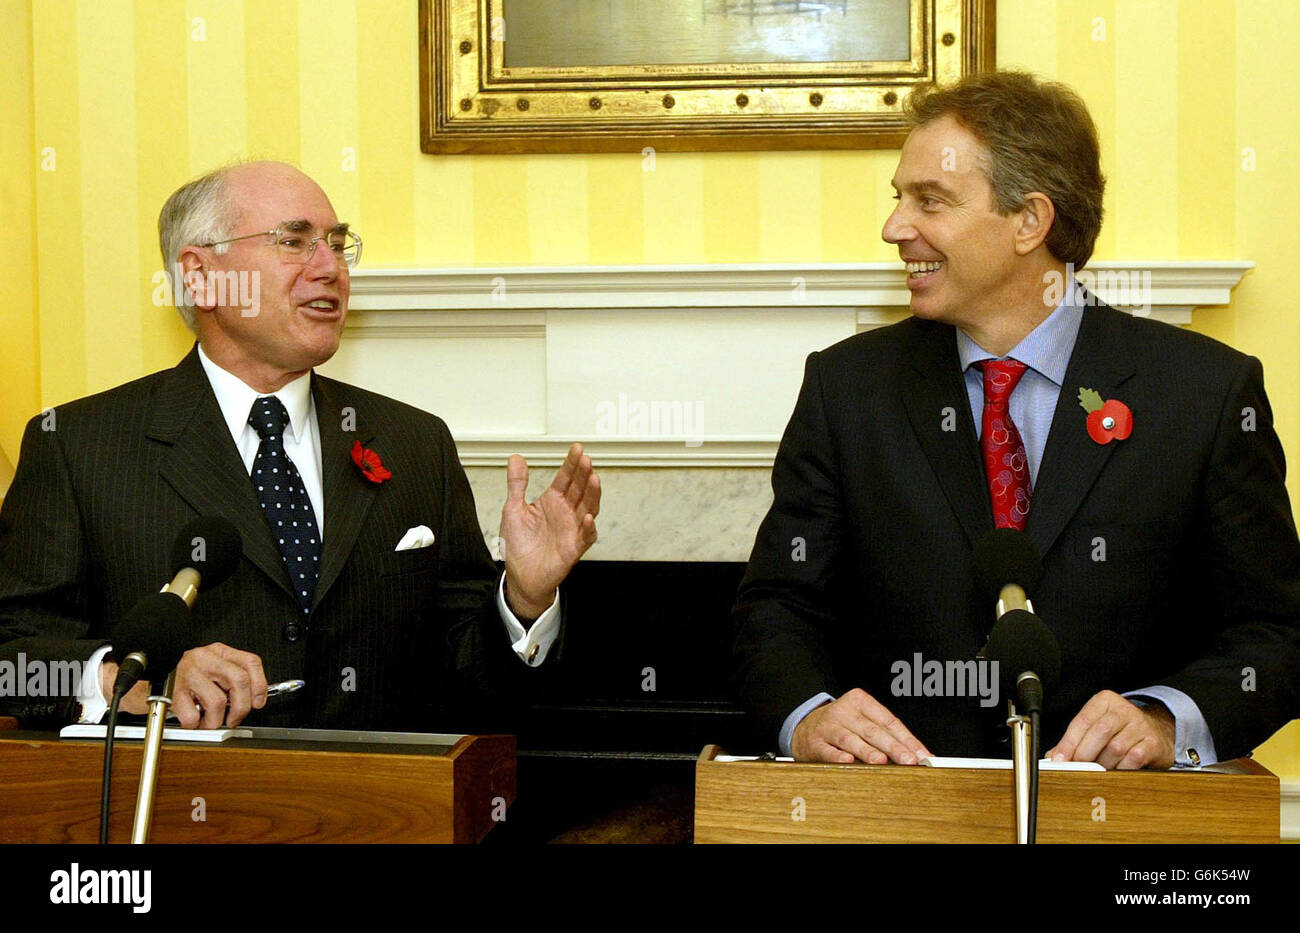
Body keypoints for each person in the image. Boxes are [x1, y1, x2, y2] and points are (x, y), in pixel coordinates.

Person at [733, 71, 1300, 770]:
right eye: (898, 199)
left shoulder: (1204, 395)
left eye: (929, 201)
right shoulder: (847, 389)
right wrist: (809, 717)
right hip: (902, 816)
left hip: (1121, 827)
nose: (894, 228)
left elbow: (1277, 634)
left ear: (1030, 221)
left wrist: (1164, 720)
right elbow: (775, 610)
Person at [0, 160, 600, 733]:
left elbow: (469, 681)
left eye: (337, 243)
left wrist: (524, 597)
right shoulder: (79, 447)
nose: (331, 267)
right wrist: (128, 683)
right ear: (201, 276)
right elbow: (11, 666)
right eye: (294, 241)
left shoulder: (416, 443)